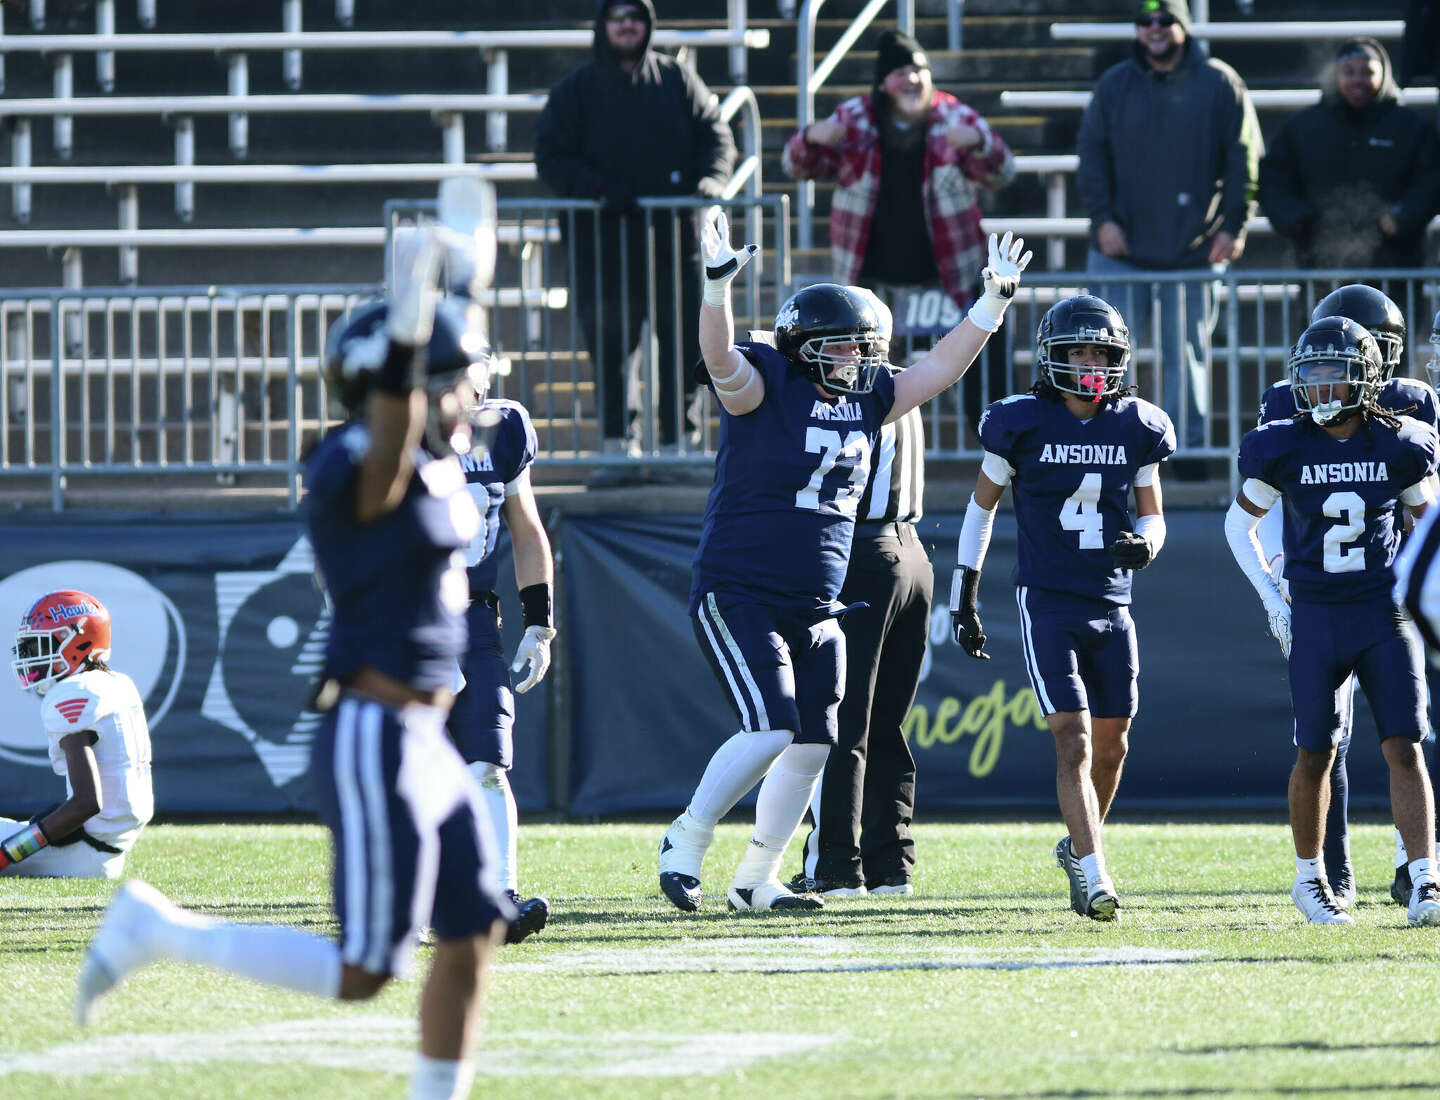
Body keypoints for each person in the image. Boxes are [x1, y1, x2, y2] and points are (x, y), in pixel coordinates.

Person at [75, 215, 514, 1100]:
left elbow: (422, 422)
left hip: (430, 738)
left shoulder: (433, 458)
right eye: (454, 384)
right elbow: (389, 443)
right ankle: (162, 933)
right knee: (365, 971)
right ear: (402, 386)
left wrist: (460, 284)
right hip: (376, 733)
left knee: (472, 934)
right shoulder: (354, 455)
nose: (474, 400)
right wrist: (411, 319)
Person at [657, 213, 1029, 913]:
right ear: (803, 349)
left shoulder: (868, 401)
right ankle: (687, 838)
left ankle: (756, 879)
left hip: (819, 602)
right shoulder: (768, 384)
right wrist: (716, 293)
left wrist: (991, 304)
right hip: (743, 590)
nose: (856, 361)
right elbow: (720, 362)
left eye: (865, 349)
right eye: (842, 349)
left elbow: (939, 367)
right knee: (771, 725)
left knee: (813, 743)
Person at [948, 294, 1176, 921]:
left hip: (1112, 601)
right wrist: (963, 591)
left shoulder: (1138, 424)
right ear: (1051, 357)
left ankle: (1079, 847)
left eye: (1102, 353)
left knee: (1112, 747)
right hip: (1047, 599)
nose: (1091, 364)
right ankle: (1097, 871)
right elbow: (981, 508)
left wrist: (1145, 546)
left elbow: (1153, 515)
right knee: (1071, 740)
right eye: (1078, 352)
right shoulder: (1020, 421)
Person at [1226, 315, 1440, 926]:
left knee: (1405, 744)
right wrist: (1273, 595)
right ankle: (1310, 878)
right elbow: (1236, 526)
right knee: (1315, 750)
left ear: (1366, 381)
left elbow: (1429, 521)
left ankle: (1426, 878)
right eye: (1311, 376)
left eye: (1335, 376)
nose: (1320, 389)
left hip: (1383, 613)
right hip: (1316, 612)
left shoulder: (1400, 442)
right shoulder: (1282, 443)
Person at [781, 27, 1015, 432]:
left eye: (919, 70)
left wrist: (980, 141)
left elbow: (1003, 172)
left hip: (947, 278)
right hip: (872, 283)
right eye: (900, 72)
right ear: (882, 83)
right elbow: (795, 166)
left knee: (978, 358)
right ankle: (860, 443)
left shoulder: (954, 116)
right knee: (865, 373)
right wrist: (811, 138)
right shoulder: (854, 118)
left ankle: (993, 442)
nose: (911, 78)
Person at [533, 0, 737, 462]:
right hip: (601, 247)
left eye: (637, 17)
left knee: (685, 343)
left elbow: (717, 136)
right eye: (618, 16)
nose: (628, 26)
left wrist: (711, 181)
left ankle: (677, 445)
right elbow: (550, 155)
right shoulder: (575, 90)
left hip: (676, 241)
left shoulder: (677, 80)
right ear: (602, 25)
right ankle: (617, 448)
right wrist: (599, 188)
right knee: (610, 346)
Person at [788, 288, 929, 898]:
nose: (844, 353)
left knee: (840, 718)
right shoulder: (904, 380)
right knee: (886, 722)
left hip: (859, 553)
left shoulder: (863, 392)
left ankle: (835, 865)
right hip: (913, 555)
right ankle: (890, 862)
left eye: (850, 341)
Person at [1077, 0, 1262, 457]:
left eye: (1165, 20)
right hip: (1120, 247)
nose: (1155, 28)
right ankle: (1107, 439)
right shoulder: (1114, 83)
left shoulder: (1220, 81)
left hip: (1194, 249)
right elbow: (1091, 158)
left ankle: (1188, 452)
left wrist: (1234, 226)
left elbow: (1245, 160)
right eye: (1145, 20)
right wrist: (1102, 221)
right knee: (1105, 352)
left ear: (1183, 26)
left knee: (1187, 355)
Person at [450, 346, 557, 944]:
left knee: (486, 763)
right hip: (403, 619)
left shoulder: (503, 428)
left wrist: (539, 623)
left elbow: (525, 527)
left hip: (471, 619)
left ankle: (497, 899)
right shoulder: (387, 436)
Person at [2, 589, 152, 879]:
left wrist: (9, 852)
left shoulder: (73, 693)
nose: (33, 657)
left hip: (82, 851)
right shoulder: (117, 683)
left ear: (78, 641)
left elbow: (86, 803)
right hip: (105, 851)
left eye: (40, 645)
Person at [1260, 38, 1440, 271]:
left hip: (1396, 266)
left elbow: (1432, 180)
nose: (1357, 79)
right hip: (1319, 266)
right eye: (1349, 72)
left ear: (1383, 76)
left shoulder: (1413, 127)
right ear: (1335, 76)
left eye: (1367, 72)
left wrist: (1402, 216)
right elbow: (1274, 182)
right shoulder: (1301, 127)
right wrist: (1297, 219)